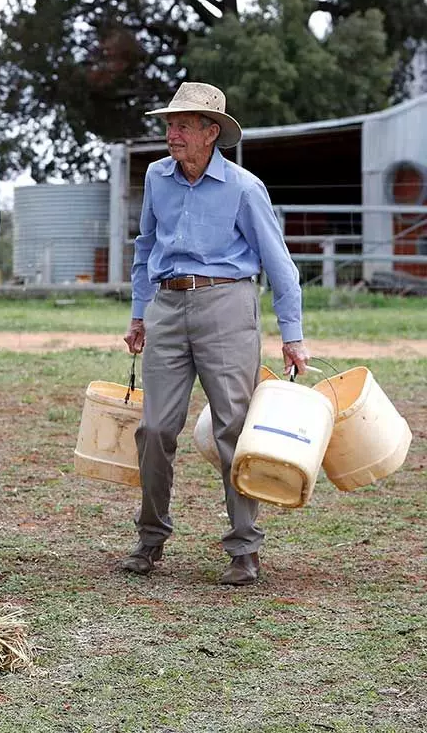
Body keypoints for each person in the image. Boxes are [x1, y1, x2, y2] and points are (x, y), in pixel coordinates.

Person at [121, 82, 311, 586]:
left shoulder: (245, 188)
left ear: (211, 133)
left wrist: (292, 336)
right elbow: (144, 248)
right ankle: (151, 537)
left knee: (232, 426)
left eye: (183, 125)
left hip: (227, 305)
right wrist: (139, 314)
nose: (172, 133)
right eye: (169, 124)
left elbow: (279, 264)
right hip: (166, 304)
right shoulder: (157, 178)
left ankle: (244, 547)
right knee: (155, 428)